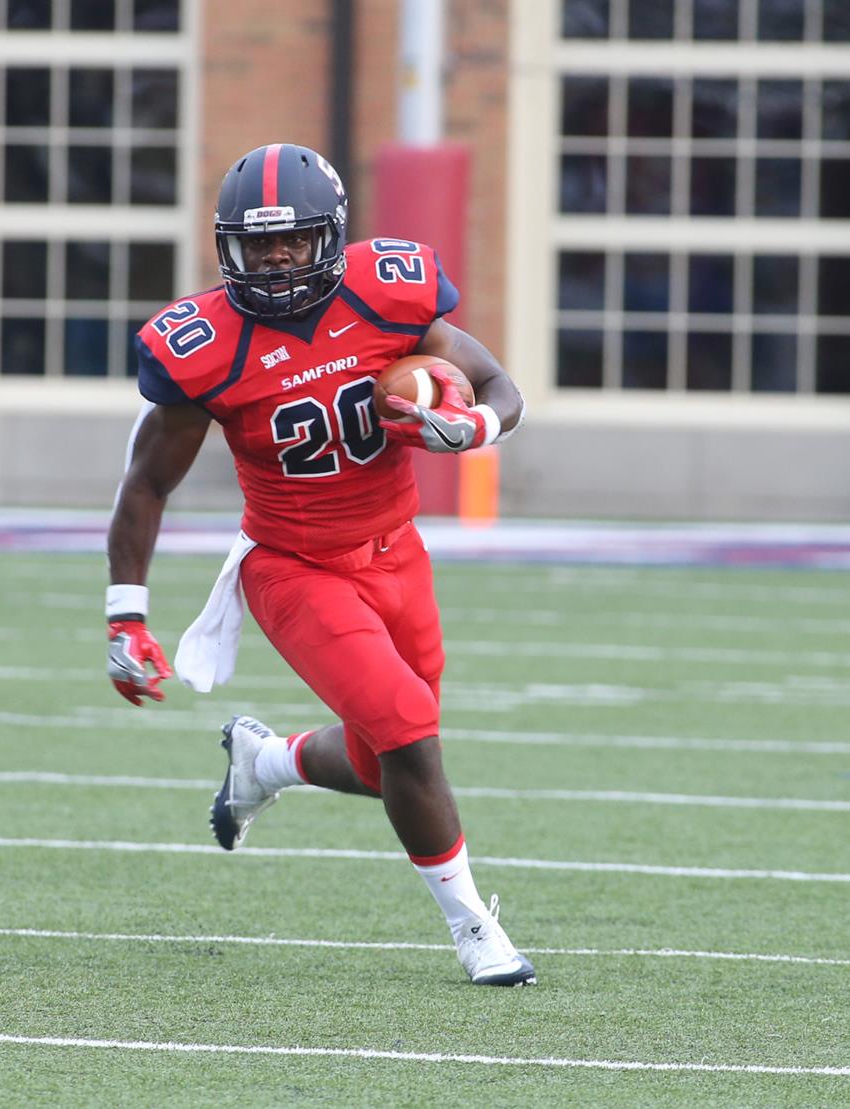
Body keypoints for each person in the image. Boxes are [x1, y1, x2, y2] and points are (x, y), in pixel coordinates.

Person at [105, 142, 533, 987]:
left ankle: (267, 762)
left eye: (292, 239)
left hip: (398, 552)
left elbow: (499, 387)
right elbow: (147, 482)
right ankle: (474, 926)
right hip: (293, 565)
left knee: (386, 763)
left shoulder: (388, 292)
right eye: (257, 243)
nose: (274, 258)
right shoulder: (205, 344)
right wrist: (125, 615)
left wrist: (472, 428)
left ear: (329, 236)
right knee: (408, 727)